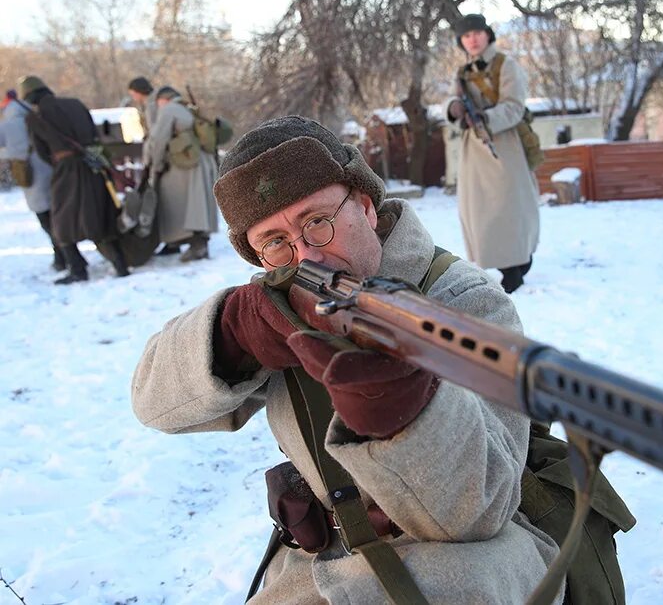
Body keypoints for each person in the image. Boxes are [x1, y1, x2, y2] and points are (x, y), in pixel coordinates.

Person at [131, 116, 560, 602]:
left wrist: (403, 409)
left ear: (364, 205)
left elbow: (481, 508)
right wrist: (236, 334)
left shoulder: (461, 299)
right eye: (275, 243)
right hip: (320, 563)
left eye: (316, 221)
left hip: (469, 559)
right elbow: (152, 403)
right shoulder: (279, 304)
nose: (307, 256)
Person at [445, 13, 539, 294]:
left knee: (509, 207)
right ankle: (501, 261)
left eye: (476, 33)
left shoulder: (505, 65)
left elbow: (514, 106)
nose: (471, 39)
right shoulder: (461, 73)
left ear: (487, 34)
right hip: (473, 149)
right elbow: (450, 99)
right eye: (465, 36)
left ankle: (515, 265)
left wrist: (486, 119)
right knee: (478, 210)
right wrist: (453, 109)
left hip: (504, 144)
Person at [18, 75, 130, 283]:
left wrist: (61, 161)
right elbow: (93, 132)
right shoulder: (75, 104)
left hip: (66, 170)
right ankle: (120, 265)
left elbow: (42, 152)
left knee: (61, 221)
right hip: (92, 165)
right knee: (99, 214)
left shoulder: (35, 117)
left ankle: (78, 269)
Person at [143, 85, 218, 261]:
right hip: (200, 160)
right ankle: (178, 243)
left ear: (164, 99)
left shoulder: (169, 109)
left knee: (181, 204)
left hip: (186, 164)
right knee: (195, 205)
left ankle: (196, 245)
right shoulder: (188, 108)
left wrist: (155, 164)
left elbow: (159, 139)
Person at [0, 89, 63, 270]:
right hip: (51, 170)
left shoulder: (9, 125)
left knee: (46, 220)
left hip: (32, 175)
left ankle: (62, 257)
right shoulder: (38, 118)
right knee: (56, 216)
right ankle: (64, 255)